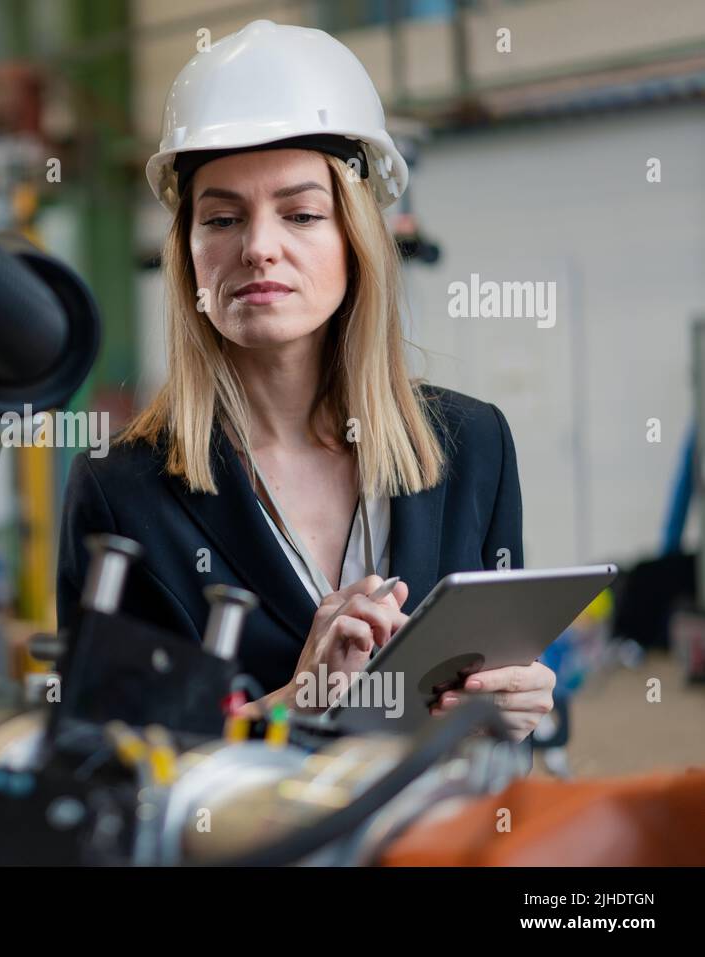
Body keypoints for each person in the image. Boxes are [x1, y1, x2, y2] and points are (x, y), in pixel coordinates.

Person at [55, 20, 554, 742]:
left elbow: (504, 718)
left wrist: (520, 711)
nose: (259, 247)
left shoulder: (474, 445)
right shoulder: (122, 493)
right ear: (188, 252)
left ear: (354, 239)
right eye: (222, 217)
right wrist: (294, 702)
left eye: (301, 214)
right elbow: (100, 768)